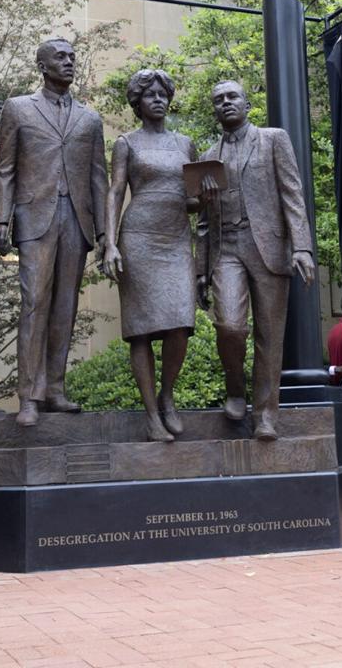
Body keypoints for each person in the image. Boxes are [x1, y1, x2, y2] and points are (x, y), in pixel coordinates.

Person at [0, 38, 108, 427]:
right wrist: (1, 220)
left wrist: (105, 233)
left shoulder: (90, 119)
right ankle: (28, 395)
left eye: (73, 57)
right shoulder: (18, 108)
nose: (69, 62)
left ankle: (55, 389)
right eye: (61, 57)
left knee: (65, 306)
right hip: (34, 217)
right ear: (42, 66)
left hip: (76, 218)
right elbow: (5, 169)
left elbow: (98, 178)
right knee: (34, 303)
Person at [197, 80, 315, 440]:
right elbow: (202, 222)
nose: (226, 103)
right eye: (219, 100)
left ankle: (265, 415)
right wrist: (199, 272)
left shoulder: (273, 139)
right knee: (229, 326)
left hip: (268, 248)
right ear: (214, 110)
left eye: (232, 97)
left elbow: (292, 193)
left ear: (247, 104)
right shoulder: (206, 156)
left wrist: (303, 247)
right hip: (226, 249)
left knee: (270, 336)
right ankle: (236, 388)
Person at [101, 69, 200, 442]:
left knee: (180, 322)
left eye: (162, 94)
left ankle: (167, 394)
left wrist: (204, 198)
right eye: (150, 94)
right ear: (137, 103)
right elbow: (115, 193)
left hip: (175, 238)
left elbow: (191, 201)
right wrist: (110, 244)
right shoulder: (127, 143)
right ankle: (150, 415)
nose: (158, 99)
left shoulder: (184, 144)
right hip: (138, 237)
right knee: (140, 331)